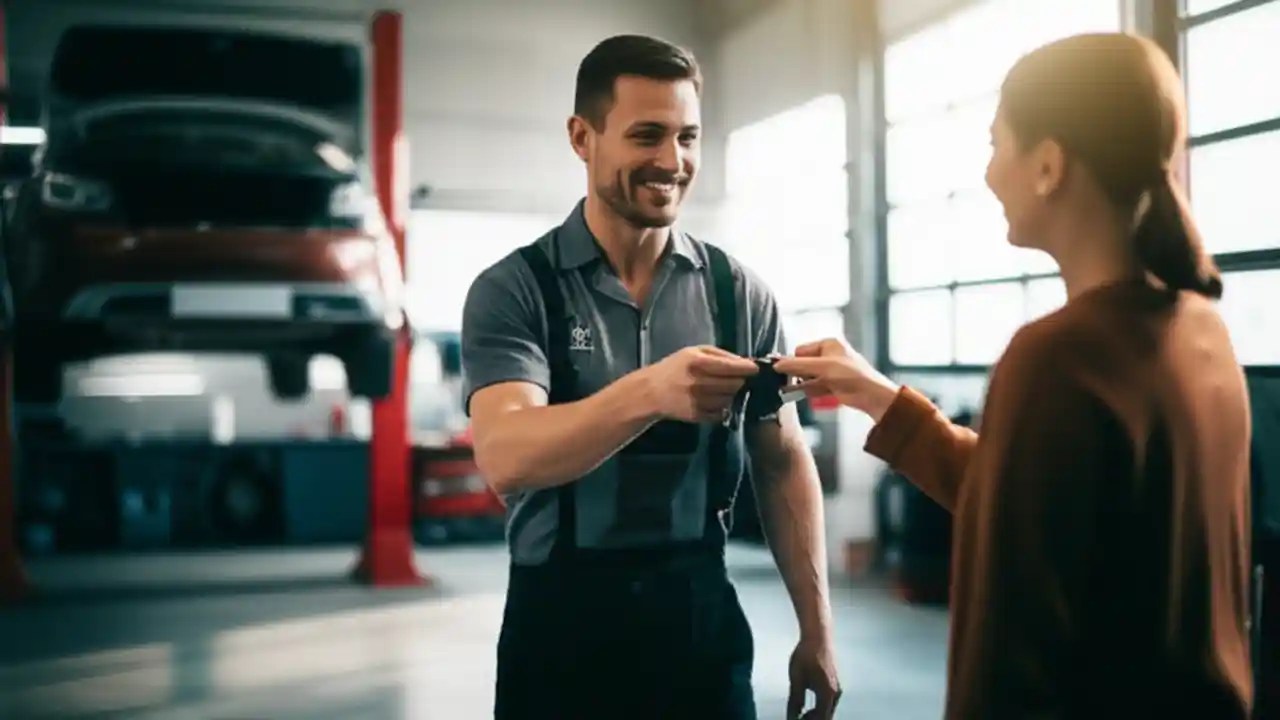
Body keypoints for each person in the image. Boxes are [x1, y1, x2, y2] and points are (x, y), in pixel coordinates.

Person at [775, 33, 1253, 719]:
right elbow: (1040, 509)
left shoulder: (1056, 357)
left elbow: (1008, 660)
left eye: (998, 144)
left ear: (1050, 165)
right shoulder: (1197, 330)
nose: (991, 174)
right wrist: (879, 397)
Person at [461, 35, 841, 720]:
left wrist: (817, 630)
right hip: (559, 632)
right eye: (647, 135)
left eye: (688, 137)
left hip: (699, 622)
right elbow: (506, 455)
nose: (672, 162)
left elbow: (781, 460)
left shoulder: (737, 293)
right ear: (583, 137)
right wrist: (653, 391)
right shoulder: (515, 291)